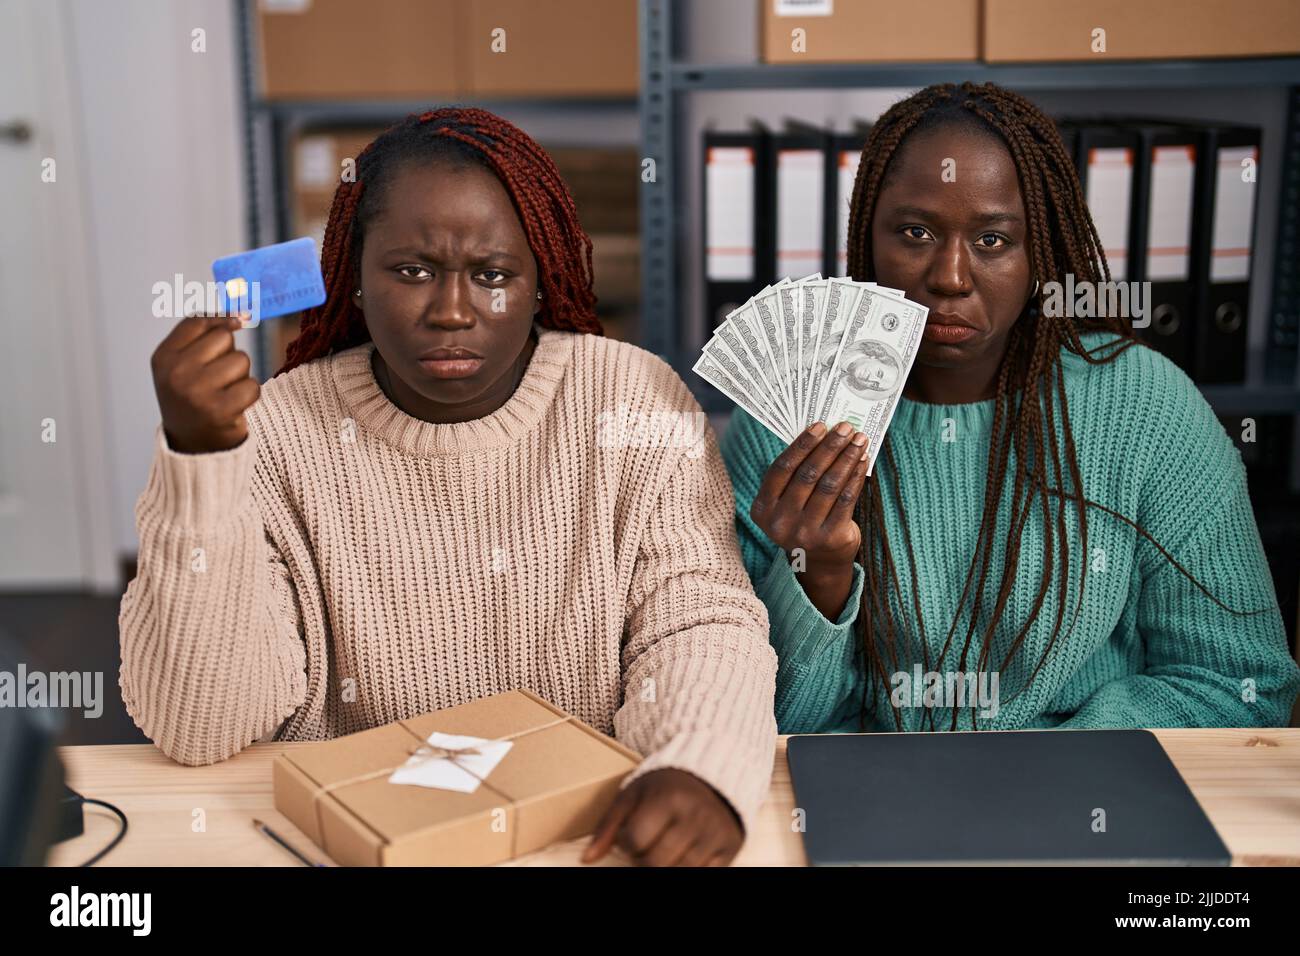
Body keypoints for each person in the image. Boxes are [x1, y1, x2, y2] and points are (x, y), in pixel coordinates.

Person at [120, 107, 777, 867]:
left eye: (494, 276)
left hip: (578, 831)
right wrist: (200, 461)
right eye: (410, 271)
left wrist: (698, 766)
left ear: (541, 282)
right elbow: (201, 725)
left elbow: (699, 621)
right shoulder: (272, 429)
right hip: (349, 842)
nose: (453, 311)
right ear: (352, 282)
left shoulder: (633, 399)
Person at [721, 81, 1300, 734]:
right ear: (865, 240)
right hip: (878, 804)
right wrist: (817, 577)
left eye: (993, 240)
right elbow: (756, 722)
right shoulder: (786, 425)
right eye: (914, 232)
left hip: (1089, 794)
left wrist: (1036, 770)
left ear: (1040, 255)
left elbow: (1241, 684)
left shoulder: (1147, 407)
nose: (950, 276)